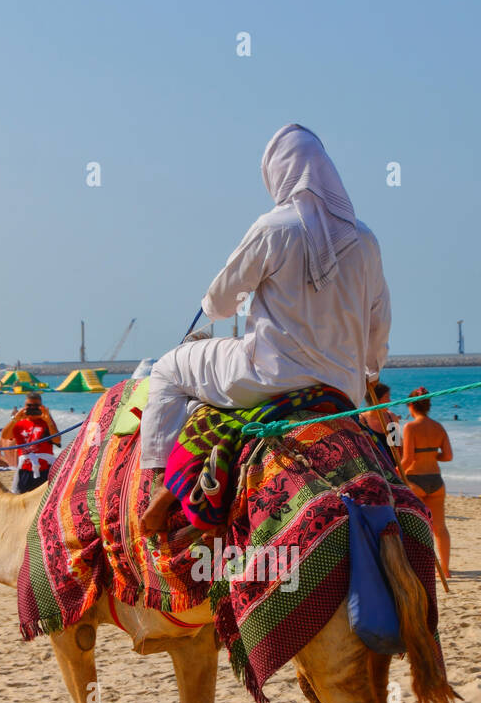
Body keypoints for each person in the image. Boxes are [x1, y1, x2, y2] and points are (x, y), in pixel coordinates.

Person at [140, 123, 391, 531]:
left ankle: (156, 482)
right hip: (343, 389)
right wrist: (368, 371)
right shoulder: (366, 240)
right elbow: (379, 325)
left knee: (167, 367)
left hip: (267, 378)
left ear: (279, 173)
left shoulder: (273, 227)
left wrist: (211, 301)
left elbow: (221, 305)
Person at [401, 387, 453, 577]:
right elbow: (448, 456)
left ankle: (420, 567)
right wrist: (431, 455)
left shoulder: (410, 427)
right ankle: (445, 570)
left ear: (411, 405)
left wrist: (395, 472)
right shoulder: (438, 426)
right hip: (436, 480)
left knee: (417, 528)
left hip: (415, 480)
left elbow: (407, 459)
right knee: (440, 528)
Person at [0, 391, 61, 493]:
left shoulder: (46, 423)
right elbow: (5, 436)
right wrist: (15, 418)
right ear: (24, 406)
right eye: (29, 405)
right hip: (25, 469)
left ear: (41, 406)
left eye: (36, 406)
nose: (32, 408)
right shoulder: (19, 424)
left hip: (45, 469)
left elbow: (57, 440)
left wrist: (48, 420)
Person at [360, 380, 401, 465]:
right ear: (376, 399)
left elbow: (397, 447)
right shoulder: (362, 420)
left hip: (393, 468)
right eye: (387, 397)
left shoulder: (392, 417)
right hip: (374, 468)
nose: (389, 401)